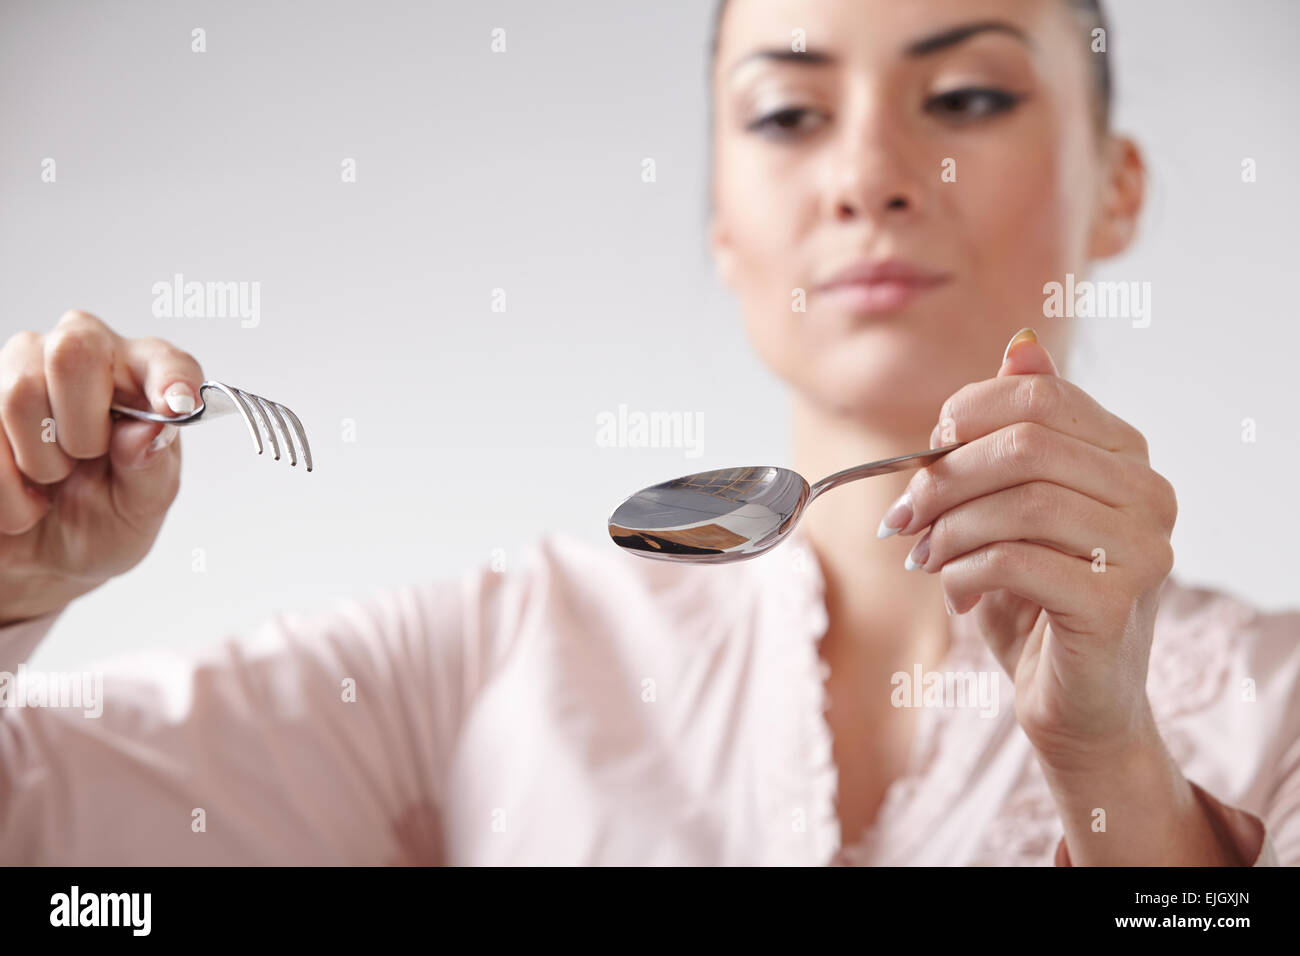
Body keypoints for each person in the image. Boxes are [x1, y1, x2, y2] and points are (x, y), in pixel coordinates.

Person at [1, 0, 1295, 866]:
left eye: (964, 99)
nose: (870, 175)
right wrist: (10, 594)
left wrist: (1110, 759)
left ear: (1117, 187)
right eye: (787, 115)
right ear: (724, 226)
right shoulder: (496, 655)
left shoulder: (1270, 708)